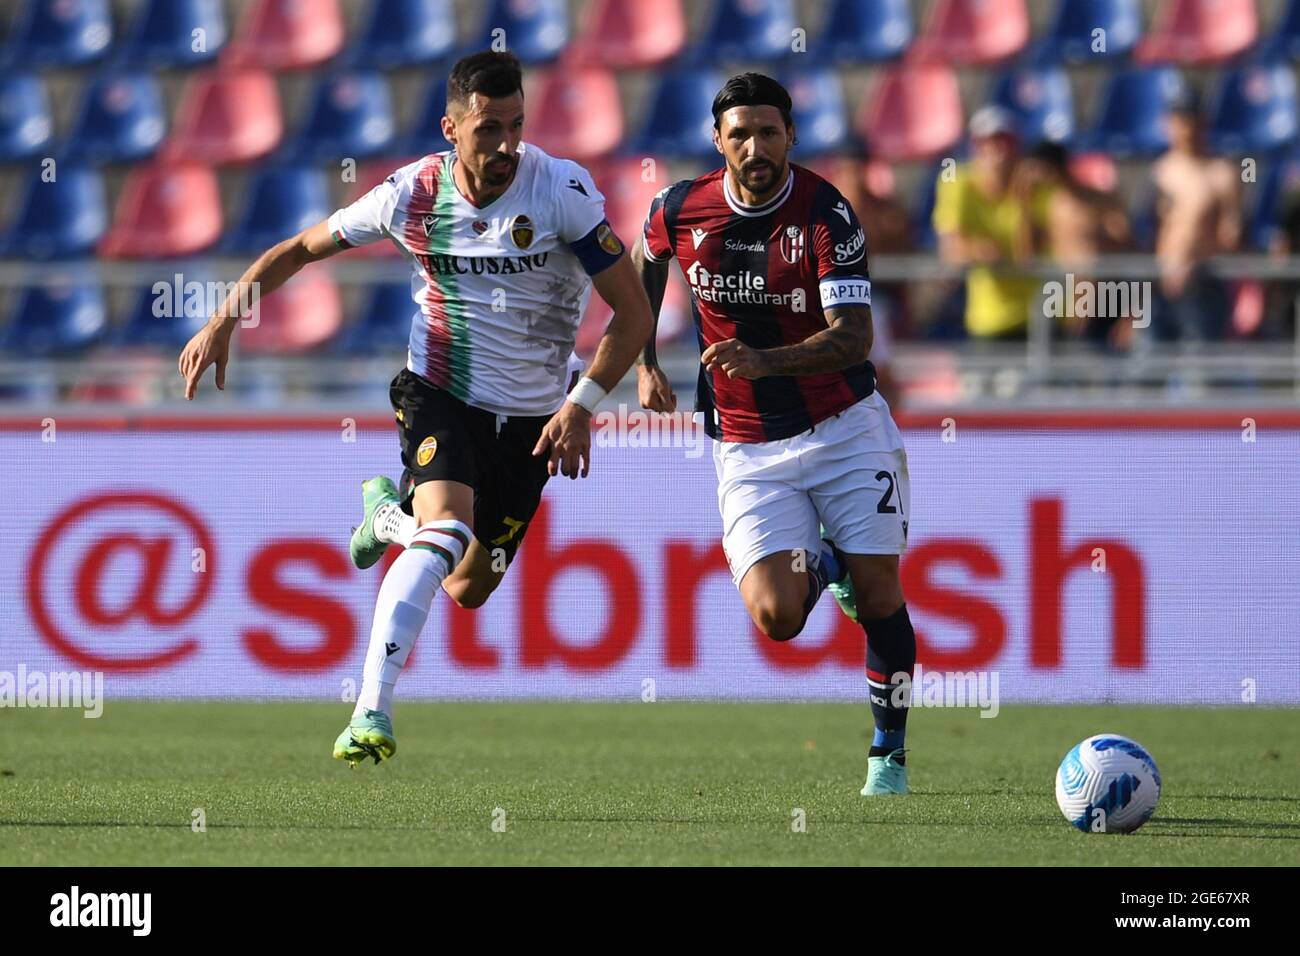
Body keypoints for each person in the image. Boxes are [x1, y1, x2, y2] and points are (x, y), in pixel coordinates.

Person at [177, 51, 654, 767]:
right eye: (488, 129)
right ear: (451, 128)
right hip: (441, 393)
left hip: (533, 419)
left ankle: (387, 518)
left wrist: (582, 406)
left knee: (469, 585)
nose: (505, 146)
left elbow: (635, 311)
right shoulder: (410, 194)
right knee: (451, 529)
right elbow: (301, 250)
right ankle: (371, 709)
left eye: (517, 126)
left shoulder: (561, 191)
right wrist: (225, 317)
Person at [634, 73, 917, 796]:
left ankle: (888, 754)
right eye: (740, 135)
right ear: (718, 141)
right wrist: (644, 362)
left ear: (790, 135)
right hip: (749, 444)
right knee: (776, 615)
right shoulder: (680, 208)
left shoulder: (827, 213)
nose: (755, 147)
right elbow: (644, 263)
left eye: (768, 132)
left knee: (882, 595)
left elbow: (855, 337)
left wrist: (765, 361)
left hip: (844, 428)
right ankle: (830, 565)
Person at [933, 105, 1054, 340]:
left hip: (1042, 316)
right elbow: (950, 249)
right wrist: (977, 249)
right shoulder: (957, 183)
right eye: (987, 143)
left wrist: (1023, 202)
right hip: (990, 319)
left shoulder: (1037, 187)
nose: (997, 151)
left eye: (1004, 142)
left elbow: (1027, 255)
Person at [1151, 89, 1242, 341]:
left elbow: (1230, 238)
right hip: (1161, 285)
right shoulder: (1161, 171)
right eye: (1177, 120)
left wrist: (1194, 262)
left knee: (1200, 367)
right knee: (1148, 367)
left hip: (1202, 285)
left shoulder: (1221, 173)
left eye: (1189, 120)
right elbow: (1152, 231)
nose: (1183, 129)